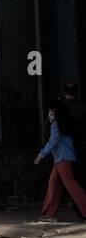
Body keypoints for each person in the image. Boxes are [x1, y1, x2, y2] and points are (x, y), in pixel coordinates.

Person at [36, 81, 86, 222]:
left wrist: (40, 155)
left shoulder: (60, 117)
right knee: (56, 184)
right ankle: (49, 213)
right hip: (68, 153)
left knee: (69, 184)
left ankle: (51, 213)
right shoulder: (78, 109)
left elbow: (54, 139)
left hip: (63, 156)